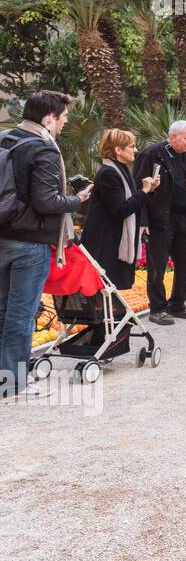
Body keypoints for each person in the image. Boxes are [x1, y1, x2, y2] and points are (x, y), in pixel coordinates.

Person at [0, 91, 93, 399]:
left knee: (3, 311)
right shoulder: (43, 149)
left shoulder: (6, 140)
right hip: (30, 242)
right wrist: (77, 199)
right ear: (49, 118)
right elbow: (46, 201)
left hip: (3, 235)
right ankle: (15, 383)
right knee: (21, 314)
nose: (65, 123)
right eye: (63, 117)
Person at [133, 120, 186, 326]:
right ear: (173, 136)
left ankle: (178, 304)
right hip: (160, 218)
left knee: (185, 263)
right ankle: (157, 308)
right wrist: (143, 220)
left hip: (185, 218)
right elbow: (138, 187)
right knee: (157, 266)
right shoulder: (152, 153)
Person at [81, 129, 160, 292]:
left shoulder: (121, 170)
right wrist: (144, 191)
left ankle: (114, 317)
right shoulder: (109, 173)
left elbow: (131, 203)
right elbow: (122, 209)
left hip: (113, 241)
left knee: (112, 290)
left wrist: (149, 190)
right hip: (107, 244)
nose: (136, 150)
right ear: (118, 150)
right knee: (106, 289)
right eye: (131, 146)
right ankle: (110, 318)